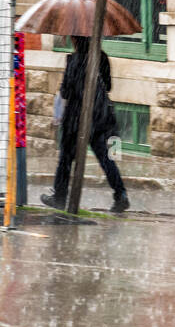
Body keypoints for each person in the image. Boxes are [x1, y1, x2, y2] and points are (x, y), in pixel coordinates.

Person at [42, 35, 129, 213]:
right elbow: (109, 86)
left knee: (66, 159)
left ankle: (59, 197)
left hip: (77, 117)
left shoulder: (75, 60)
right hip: (99, 115)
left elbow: (66, 92)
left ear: (75, 40)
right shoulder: (101, 56)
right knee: (105, 157)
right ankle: (120, 195)